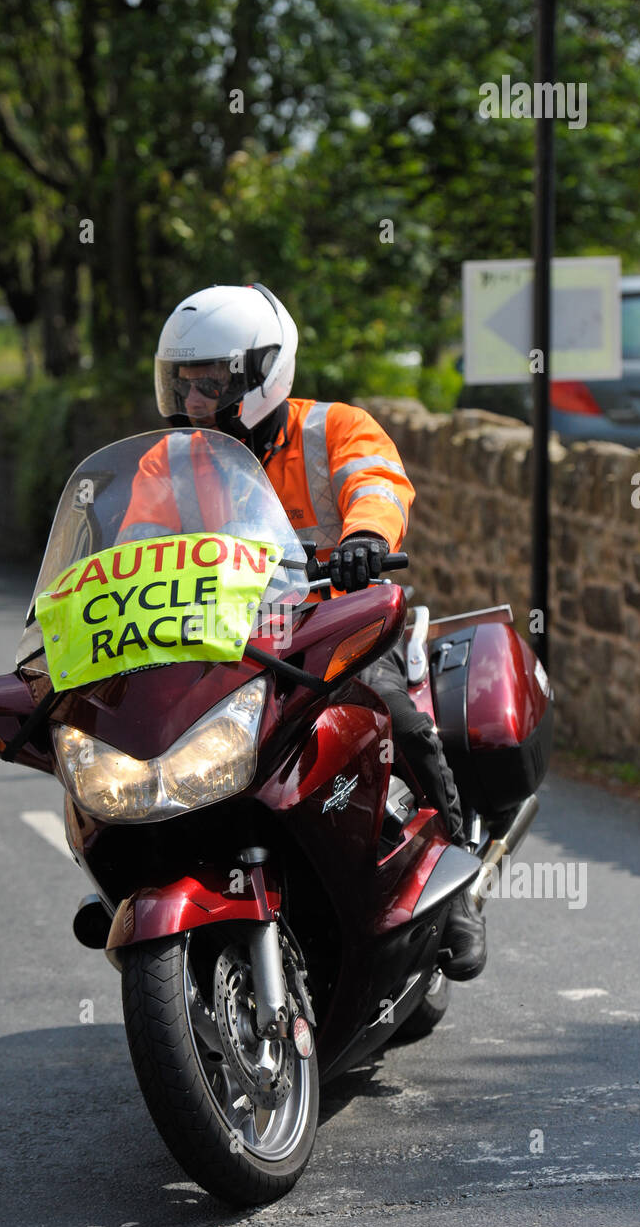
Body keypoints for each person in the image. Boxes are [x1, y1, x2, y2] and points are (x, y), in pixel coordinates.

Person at [136, 283, 486, 981]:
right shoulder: (168, 463)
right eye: (182, 383)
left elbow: (380, 485)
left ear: (261, 375)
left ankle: (459, 890)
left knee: (396, 718)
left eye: (208, 383)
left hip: (331, 624)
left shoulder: (334, 429)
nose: (191, 401)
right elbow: (133, 541)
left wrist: (363, 537)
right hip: (222, 641)